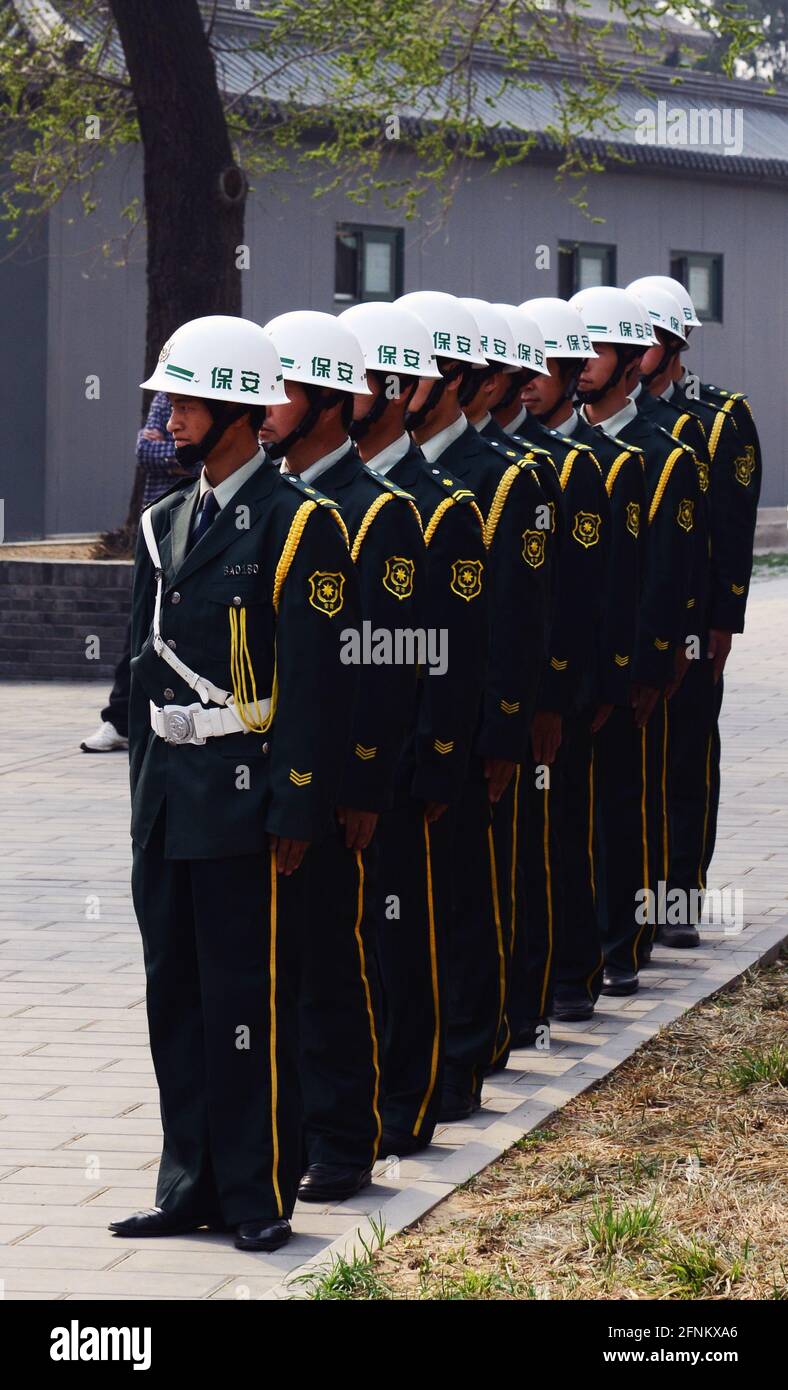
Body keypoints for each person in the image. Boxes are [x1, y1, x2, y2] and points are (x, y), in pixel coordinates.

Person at [110, 314, 360, 1252]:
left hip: (248, 798)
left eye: (183, 401)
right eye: (169, 401)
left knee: (246, 1002)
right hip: (170, 798)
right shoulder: (165, 522)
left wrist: (296, 799)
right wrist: (142, 790)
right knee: (174, 993)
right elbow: (141, 671)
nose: (168, 418)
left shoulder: (302, 526)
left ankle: (256, 1195)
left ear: (235, 410)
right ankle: (188, 1186)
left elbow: (314, 682)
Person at [261, 309, 426, 1202]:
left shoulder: (378, 513)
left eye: (283, 389)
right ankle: (284, 1134)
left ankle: (343, 1140)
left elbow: (387, 663)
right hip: (274, 774)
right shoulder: (277, 504)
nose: (265, 406)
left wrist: (362, 779)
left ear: (330, 399)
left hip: (339, 783)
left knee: (332, 960)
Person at [340, 298, 488, 1154]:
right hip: (339, 762)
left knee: (407, 932)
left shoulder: (439, 504)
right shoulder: (325, 500)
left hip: (407, 764)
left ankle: (415, 1094)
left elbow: (449, 653)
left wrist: (437, 760)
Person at [397, 289, 550, 1118]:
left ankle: (466, 1052)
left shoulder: (502, 480)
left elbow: (514, 620)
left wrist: (501, 731)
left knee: (465, 891)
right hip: (397, 731)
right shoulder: (389, 479)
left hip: (468, 727)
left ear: (456, 381)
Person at [569, 286, 699, 996]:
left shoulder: (662, 455)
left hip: (626, 670)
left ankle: (624, 942)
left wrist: (646, 665)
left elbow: (660, 574)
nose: (583, 365)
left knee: (625, 804)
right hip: (573, 670)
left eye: (599, 351)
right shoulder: (559, 450)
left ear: (630, 364)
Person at [523, 297, 648, 1015]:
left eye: (550, 365)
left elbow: (605, 591)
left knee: (575, 830)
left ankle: (582, 969)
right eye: (525, 366)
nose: (533, 379)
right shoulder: (517, 463)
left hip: (575, 690)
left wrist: (601, 683)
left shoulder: (595, 467)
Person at [627, 275, 761, 943]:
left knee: (685, 760)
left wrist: (720, 623)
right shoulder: (610, 415)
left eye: (648, 337)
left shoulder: (719, 415)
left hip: (693, 626)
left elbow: (734, 530)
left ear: (676, 342)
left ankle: (679, 897)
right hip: (635, 629)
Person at [80, 390, 199, 753]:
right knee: (140, 624)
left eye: (186, 410)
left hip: (201, 525)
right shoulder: (166, 395)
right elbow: (145, 453)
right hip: (159, 528)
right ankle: (120, 720)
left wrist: (177, 456)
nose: (173, 421)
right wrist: (183, 457)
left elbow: (209, 457)